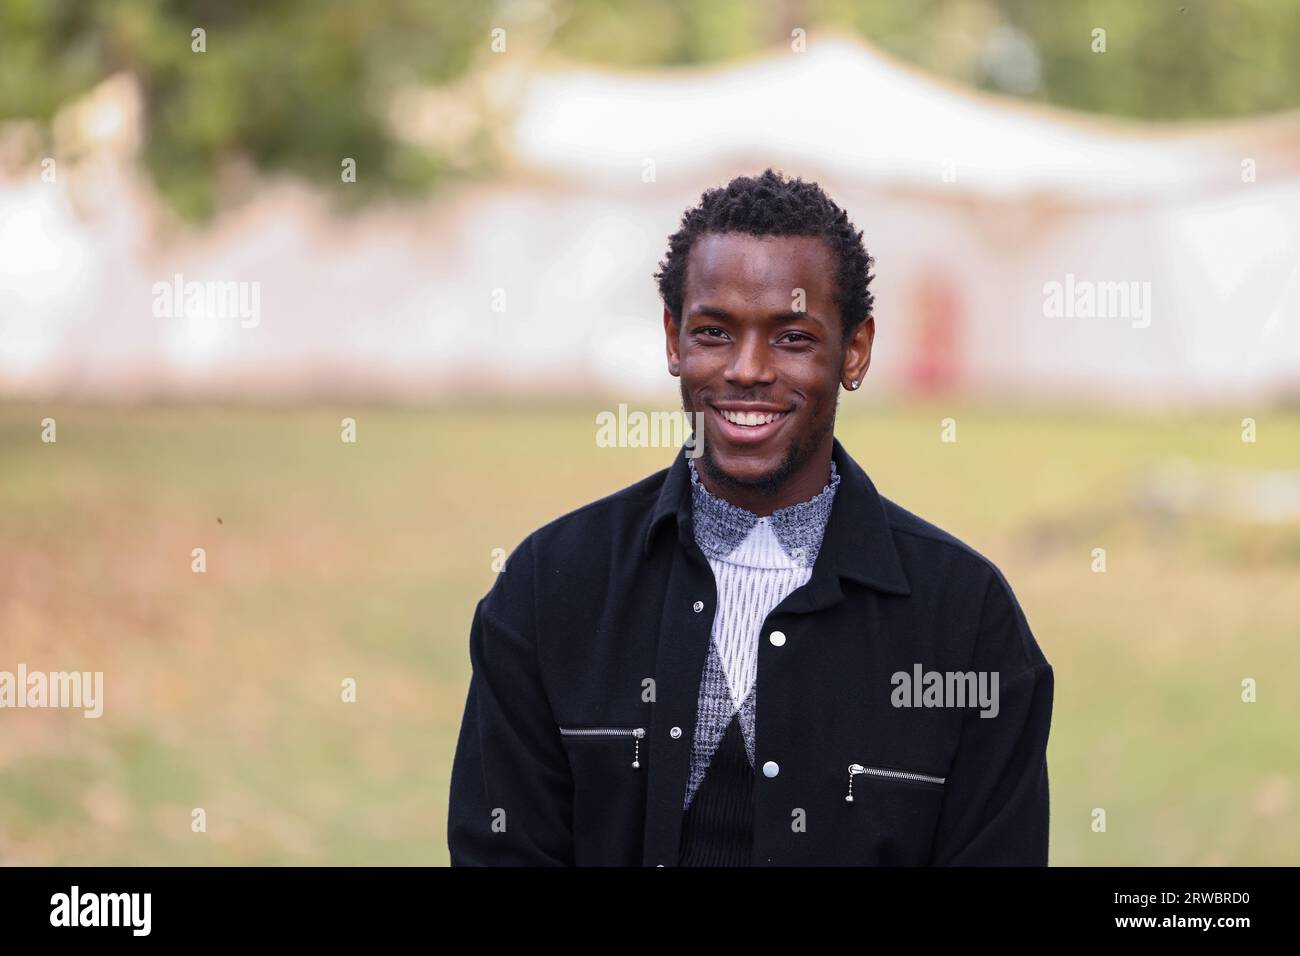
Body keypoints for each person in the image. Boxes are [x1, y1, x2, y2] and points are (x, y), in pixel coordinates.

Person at [448, 168, 1053, 866]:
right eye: (714, 331)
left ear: (854, 350)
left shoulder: (967, 621)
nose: (748, 368)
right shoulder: (548, 588)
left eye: (792, 338)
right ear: (673, 340)